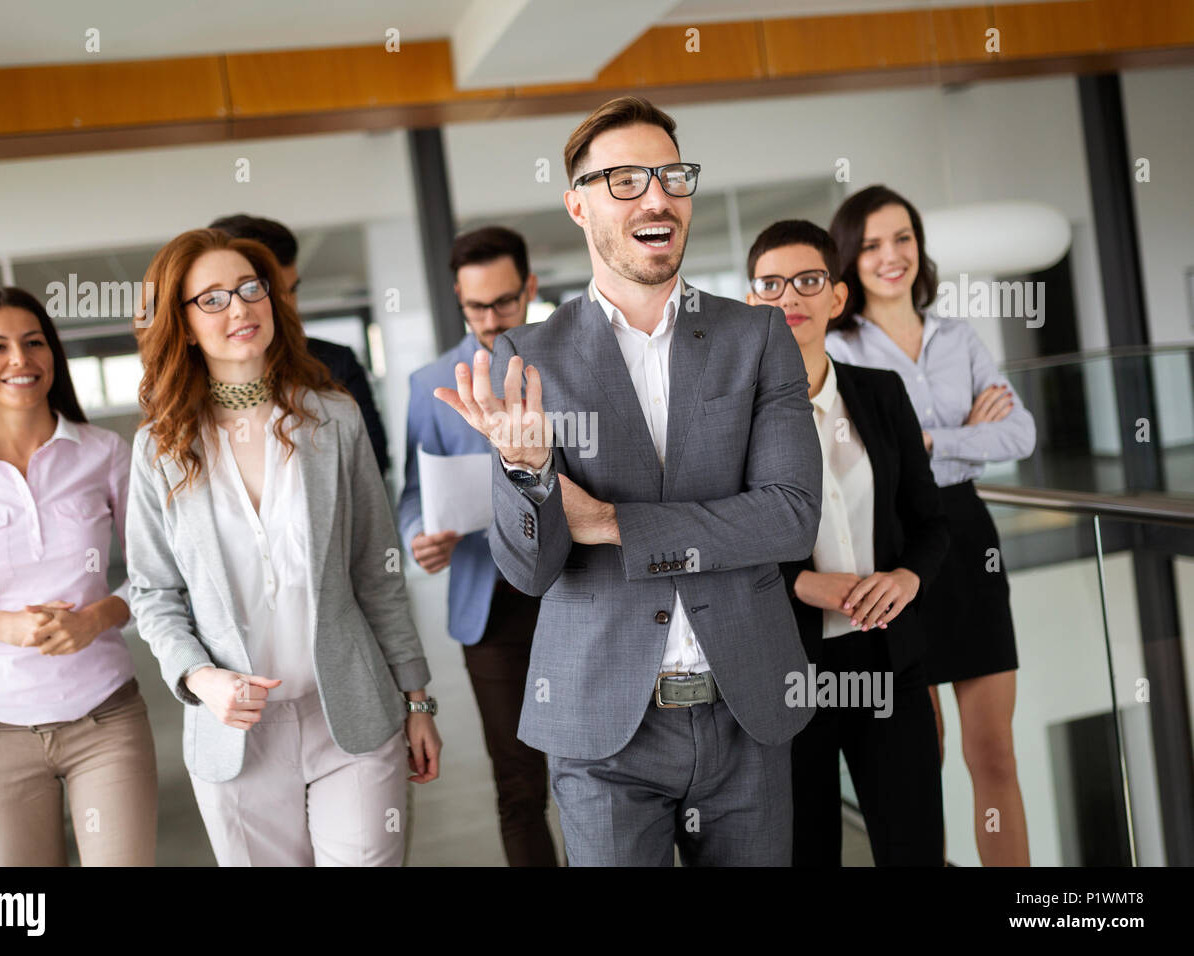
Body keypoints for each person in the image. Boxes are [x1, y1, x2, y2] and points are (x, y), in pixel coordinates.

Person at [436, 96, 822, 866]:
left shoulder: (757, 335)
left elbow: (789, 519)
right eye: (625, 180)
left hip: (747, 708)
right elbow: (530, 569)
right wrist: (530, 473)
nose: (657, 197)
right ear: (576, 204)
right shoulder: (525, 355)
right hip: (601, 723)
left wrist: (610, 522)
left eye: (672, 176)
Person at [126, 228, 439, 866]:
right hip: (234, 736)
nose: (239, 308)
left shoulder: (334, 419)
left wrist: (417, 699)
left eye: (250, 289)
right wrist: (198, 677)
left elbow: (377, 573)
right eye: (210, 299)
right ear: (181, 325)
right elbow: (154, 591)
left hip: (350, 716)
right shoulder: (159, 448)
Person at [0, 287, 156, 866]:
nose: (20, 359)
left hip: (105, 720)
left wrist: (99, 617)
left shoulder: (105, 452)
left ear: (53, 355)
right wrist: (1, 626)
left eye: (33, 342)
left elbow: (154, 575)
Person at [826, 185, 1036, 866]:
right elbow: (872, 456)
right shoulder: (839, 349)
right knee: (925, 757)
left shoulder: (957, 336)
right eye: (873, 244)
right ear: (849, 260)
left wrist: (932, 443)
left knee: (993, 752)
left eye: (903, 238)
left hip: (971, 543)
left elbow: (1021, 433)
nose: (892, 256)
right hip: (898, 548)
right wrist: (965, 432)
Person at [748, 220, 948, 866]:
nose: (789, 298)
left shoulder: (881, 395)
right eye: (771, 284)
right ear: (752, 302)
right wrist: (804, 584)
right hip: (790, 675)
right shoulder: (734, 419)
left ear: (836, 297)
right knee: (809, 854)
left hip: (888, 661)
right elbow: (722, 547)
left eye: (808, 281)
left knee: (914, 847)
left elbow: (930, 522)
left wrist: (907, 579)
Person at [398, 226, 557, 866]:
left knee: (596, 769)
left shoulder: (573, 361)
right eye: (476, 308)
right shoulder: (429, 382)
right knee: (518, 782)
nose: (491, 321)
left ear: (531, 288)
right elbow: (413, 491)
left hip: (573, 588)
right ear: (458, 300)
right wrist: (418, 536)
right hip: (487, 604)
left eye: (505, 303)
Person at [209, 214, 390, 476]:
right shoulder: (189, 390)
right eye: (262, 291)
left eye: (292, 290)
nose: (288, 306)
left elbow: (371, 465)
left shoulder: (335, 365)